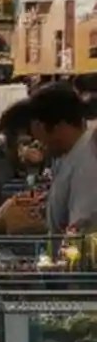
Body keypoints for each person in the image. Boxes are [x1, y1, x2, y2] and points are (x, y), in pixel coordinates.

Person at [27, 84, 97, 233]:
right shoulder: (69, 155)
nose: (39, 145)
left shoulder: (87, 165)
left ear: (60, 127)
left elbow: (80, 231)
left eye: (40, 133)